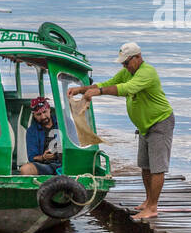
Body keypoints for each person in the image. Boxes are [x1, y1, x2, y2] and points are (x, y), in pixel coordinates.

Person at [69, 42, 174, 220]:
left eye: (126, 63)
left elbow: (126, 89)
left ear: (138, 57)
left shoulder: (147, 72)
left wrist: (99, 92)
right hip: (144, 127)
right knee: (145, 166)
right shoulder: (128, 71)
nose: (124, 66)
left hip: (160, 123)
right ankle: (148, 201)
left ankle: (153, 207)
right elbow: (110, 82)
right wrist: (82, 89)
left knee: (157, 168)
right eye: (123, 64)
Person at [18, 96, 62, 175]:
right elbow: (32, 157)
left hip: (66, 163)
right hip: (46, 166)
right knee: (25, 169)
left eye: (45, 112)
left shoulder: (63, 123)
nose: (43, 117)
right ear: (34, 115)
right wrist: (43, 157)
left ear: (49, 110)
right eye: (38, 114)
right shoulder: (31, 131)